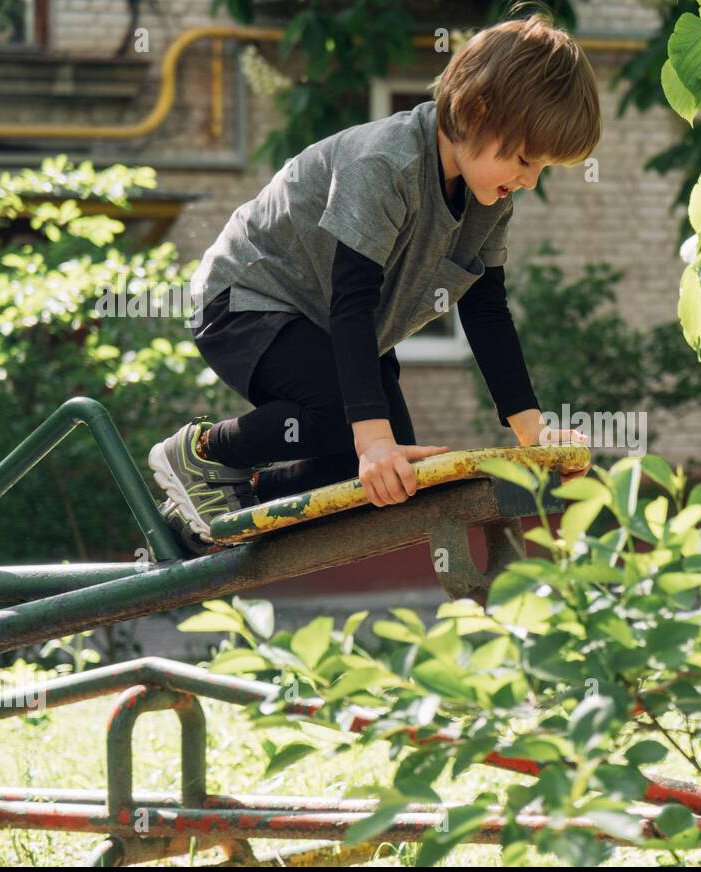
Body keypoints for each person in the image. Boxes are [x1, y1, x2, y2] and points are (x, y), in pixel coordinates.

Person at [148, 8, 597, 548]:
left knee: (392, 475)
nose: (528, 180)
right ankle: (202, 452)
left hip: (326, 324)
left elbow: (486, 309)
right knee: (361, 431)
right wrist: (372, 438)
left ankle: (228, 497)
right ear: (477, 111)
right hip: (245, 299)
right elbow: (352, 303)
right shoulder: (386, 163)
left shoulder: (487, 196)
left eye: (541, 168)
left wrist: (534, 435)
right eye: (524, 159)